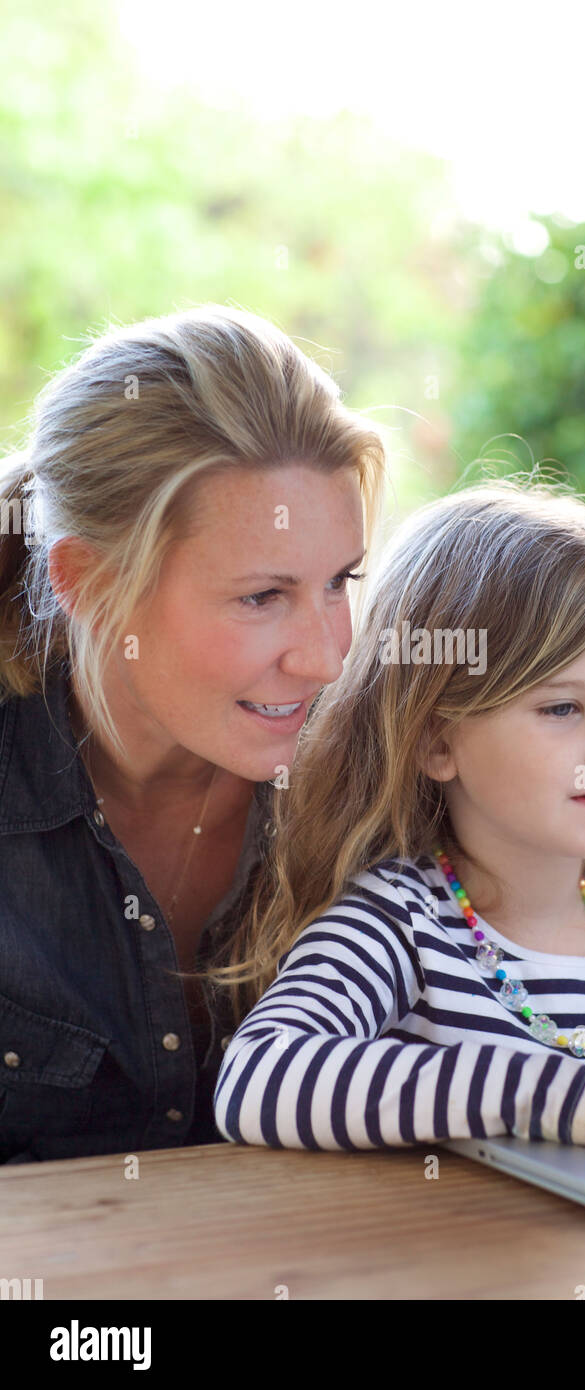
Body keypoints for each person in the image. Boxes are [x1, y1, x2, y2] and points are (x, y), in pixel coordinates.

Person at [212, 478, 585, 1153]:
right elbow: (260, 1081)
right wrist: (561, 1096)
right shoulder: (400, 922)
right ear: (437, 741)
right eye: (563, 708)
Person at [0, 304, 387, 1162]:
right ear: (88, 584)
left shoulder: (378, 774)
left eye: (339, 583)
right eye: (262, 597)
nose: (328, 658)